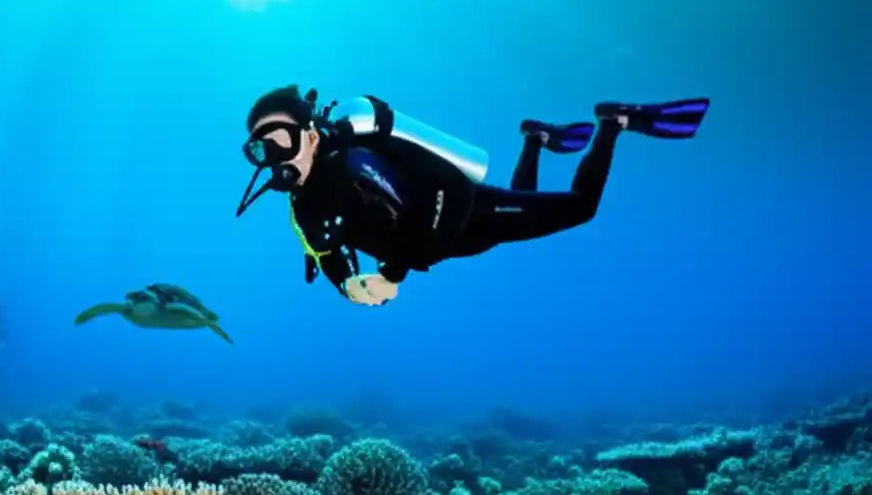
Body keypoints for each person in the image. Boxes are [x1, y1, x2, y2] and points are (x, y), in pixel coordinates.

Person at [235, 86, 709, 306]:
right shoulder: (303, 204)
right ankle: (536, 139)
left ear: (313, 134)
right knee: (516, 214)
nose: (273, 156)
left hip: (467, 213)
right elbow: (325, 248)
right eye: (260, 147)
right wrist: (347, 286)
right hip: (463, 238)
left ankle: (613, 123)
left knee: (579, 208)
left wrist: (392, 274)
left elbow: (443, 190)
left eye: (281, 140)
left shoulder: (355, 163)